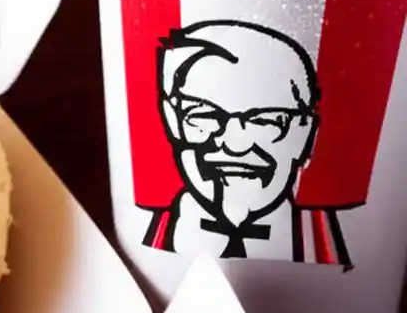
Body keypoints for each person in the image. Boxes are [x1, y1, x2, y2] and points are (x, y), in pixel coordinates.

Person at [143, 20, 350, 267]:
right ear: (172, 120)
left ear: (305, 134)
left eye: (265, 120)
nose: (235, 144)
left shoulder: (329, 241)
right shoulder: (143, 235)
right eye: (204, 114)